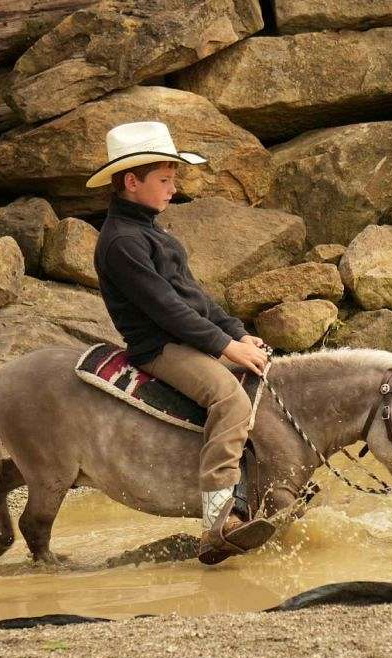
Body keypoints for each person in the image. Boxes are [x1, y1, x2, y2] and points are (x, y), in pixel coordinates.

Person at [86, 120, 269, 553]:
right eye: (165, 180)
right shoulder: (122, 242)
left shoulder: (150, 230)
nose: (173, 188)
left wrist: (240, 333)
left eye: (173, 179)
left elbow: (195, 297)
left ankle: (258, 492)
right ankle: (218, 523)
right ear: (132, 182)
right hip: (160, 348)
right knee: (230, 400)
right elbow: (168, 311)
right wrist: (227, 348)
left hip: (187, 337)